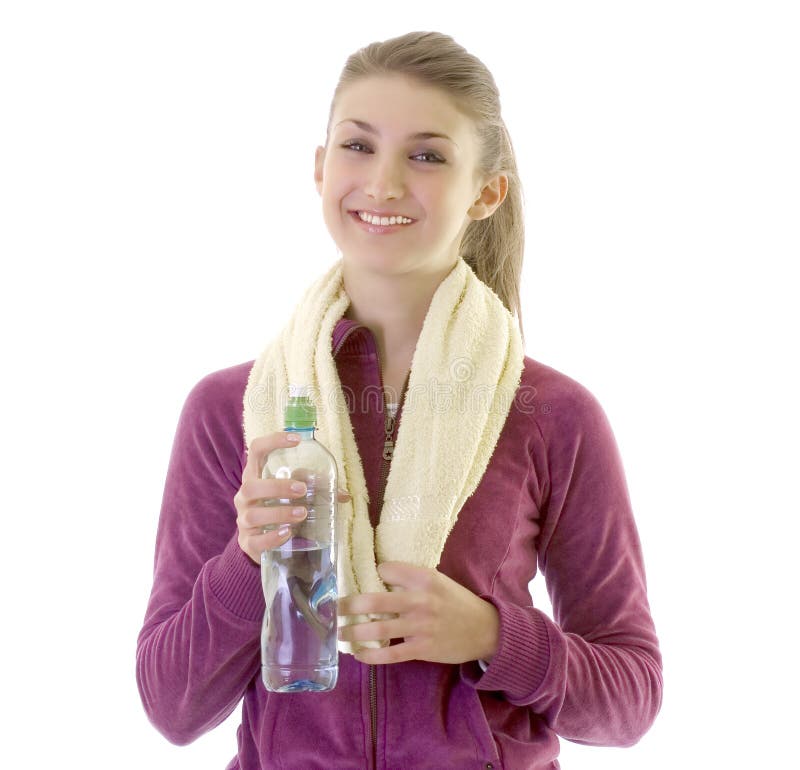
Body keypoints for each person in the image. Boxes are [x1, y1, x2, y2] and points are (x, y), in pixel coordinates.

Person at [136, 30, 663, 770]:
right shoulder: (231, 409)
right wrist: (247, 559)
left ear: (486, 191)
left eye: (426, 155)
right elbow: (172, 708)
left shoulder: (552, 413)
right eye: (357, 146)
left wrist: (491, 635)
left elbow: (631, 700)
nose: (382, 183)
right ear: (320, 168)